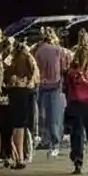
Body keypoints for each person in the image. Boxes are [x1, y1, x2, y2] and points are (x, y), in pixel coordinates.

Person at [65, 42, 88, 175]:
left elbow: (67, 89)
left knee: (77, 134)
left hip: (76, 104)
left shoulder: (73, 72)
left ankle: (77, 161)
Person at [3, 42, 40, 170]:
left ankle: (16, 156)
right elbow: (34, 73)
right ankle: (21, 156)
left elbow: (5, 74)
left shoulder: (11, 60)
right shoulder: (28, 58)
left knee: (14, 127)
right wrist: (27, 81)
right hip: (25, 93)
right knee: (21, 127)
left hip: (13, 93)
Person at [33, 29, 68, 158]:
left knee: (43, 114)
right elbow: (64, 67)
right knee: (55, 116)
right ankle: (55, 141)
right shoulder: (59, 51)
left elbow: (35, 68)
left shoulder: (38, 51)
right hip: (56, 85)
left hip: (41, 85)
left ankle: (45, 139)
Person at [0, 37, 16, 166]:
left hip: (2, 95)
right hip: (8, 94)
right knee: (8, 126)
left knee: (4, 126)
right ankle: (7, 152)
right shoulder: (9, 61)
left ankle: (5, 151)